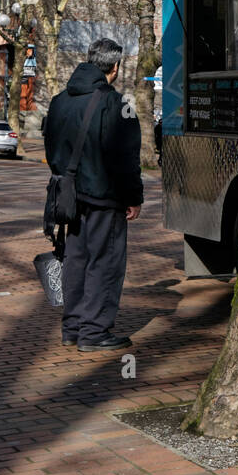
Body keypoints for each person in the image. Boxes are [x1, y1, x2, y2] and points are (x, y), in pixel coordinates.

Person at [43, 38, 143, 352]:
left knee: (75, 259)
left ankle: (72, 327)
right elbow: (127, 156)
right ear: (114, 67)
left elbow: (50, 147)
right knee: (105, 262)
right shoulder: (116, 104)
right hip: (105, 196)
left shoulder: (59, 101)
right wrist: (133, 196)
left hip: (69, 196)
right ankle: (94, 331)